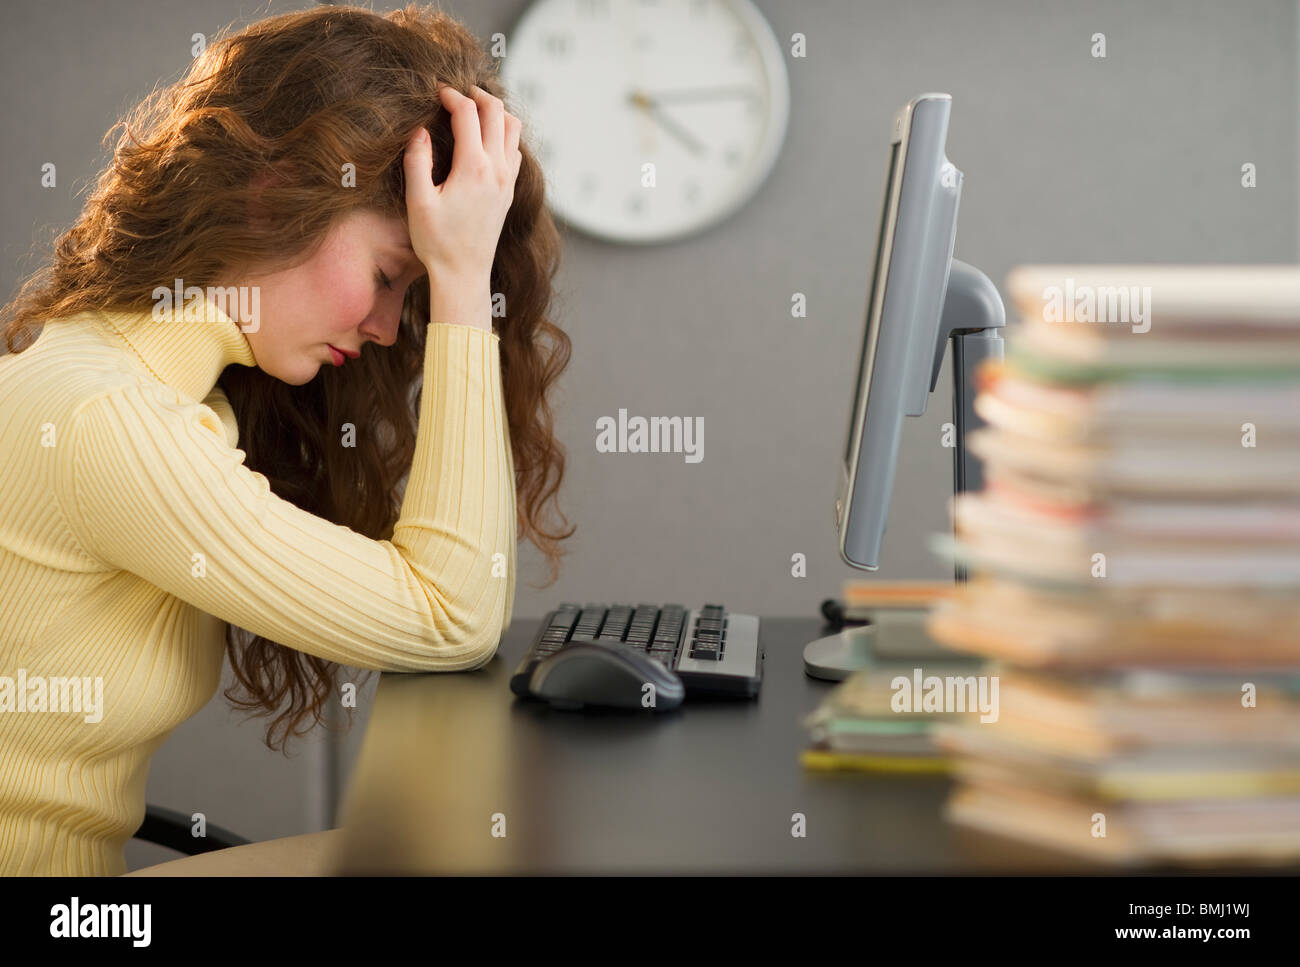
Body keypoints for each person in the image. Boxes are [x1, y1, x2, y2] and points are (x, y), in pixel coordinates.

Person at [0, 4, 574, 876]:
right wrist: (460, 279)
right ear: (275, 193)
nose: (389, 328)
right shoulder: (105, 421)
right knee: (445, 860)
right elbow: (454, 612)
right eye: (389, 276)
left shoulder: (156, 391)